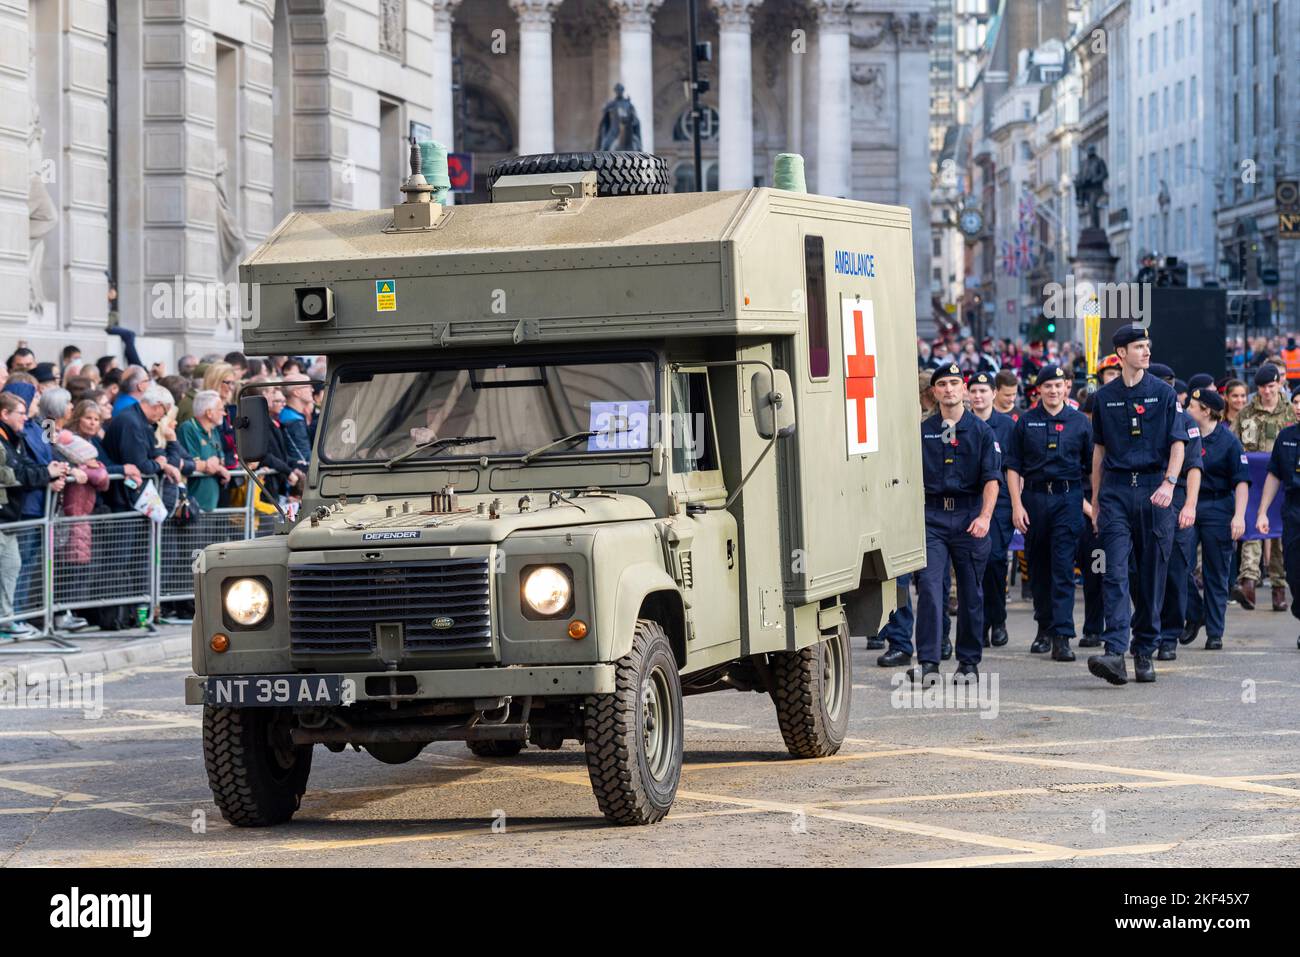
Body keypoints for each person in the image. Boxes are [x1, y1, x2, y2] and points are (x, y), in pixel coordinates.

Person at [1087, 324, 1189, 685]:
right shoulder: (1103, 397)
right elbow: (1099, 452)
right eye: (1139, 347)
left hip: (1154, 490)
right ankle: (1115, 651)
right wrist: (1097, 502)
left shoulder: (1163, 394)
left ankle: (1144, 650)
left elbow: (1179, 444)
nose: (1146, 352)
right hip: (1116, 492)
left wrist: (1169, 483)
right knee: (1113, 571)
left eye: (1148, 345)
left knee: (1150, 576)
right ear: (1121, 354)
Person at [906, 363, 1000, 685]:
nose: (948, 389)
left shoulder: (981, 432)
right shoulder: (922, 431)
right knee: (931, 590)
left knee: (972, 593)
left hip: (969, 517)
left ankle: (968, 663)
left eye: (954, 383)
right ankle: (929, 662)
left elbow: (992, 479)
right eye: (942, 384)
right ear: (934, 392)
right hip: (932, 517)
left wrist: (985, 517)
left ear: (964, 389)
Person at [1006, 364, 1093, 661]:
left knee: (1063, 569)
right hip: (1034, 499)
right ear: (1038, 390)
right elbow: (1013, 466)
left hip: (1068, 499)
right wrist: (1017, 505)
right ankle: (1044, 627)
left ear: (1067, 387)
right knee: (1038, 569)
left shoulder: (1080, 422)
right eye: (1048, 386)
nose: (1054, 391)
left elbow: (1092, 465)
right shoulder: (1025, 422)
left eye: (1059, 385)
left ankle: (1062, 636)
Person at [1176, 388, 1250, 651]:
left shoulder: (1229, 442)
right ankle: (1195, 614)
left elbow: (1241, 481)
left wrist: (1239, 516)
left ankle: (1215, 632)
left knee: (1216, 571)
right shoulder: (1186, 435)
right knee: (1178, 562)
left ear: (1206, 411)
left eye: (1193, 406)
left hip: (1218, 506)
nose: (1188, 410)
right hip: (1189, 504)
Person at [1151, 364, 1204, 662]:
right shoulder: (1140, 417)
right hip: (1144, 496)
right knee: (1139, 571)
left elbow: (1194, 466)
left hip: (1178, 496)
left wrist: (1190, 506)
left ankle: (1169, 635)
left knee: (1175, 571)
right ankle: (1149, 628)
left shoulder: (1185, 421)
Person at [1232, 363, 1295, 611]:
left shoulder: (1290, 412)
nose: (1266, 392)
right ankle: (1248, 582)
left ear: (1279, 383)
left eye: (1270, 386)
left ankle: (1279, 587)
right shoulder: (1246, 413)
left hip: (1284, 481)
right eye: (1261, 387)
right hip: (1253, 482)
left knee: (1279, 534)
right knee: (1252, 530)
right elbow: (1234, 444)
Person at [967, 372, 1015, 647]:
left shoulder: (1007, 426)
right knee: (974, 566)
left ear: (994, 393)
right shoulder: (961, 424)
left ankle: (997, 619)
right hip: (970, 502)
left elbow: (1013, 468)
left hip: (1000, 504)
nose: (978, 396)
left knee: (996, 561)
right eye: (973, 391)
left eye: (983, 391)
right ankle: (980, 623)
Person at [1255, 413, 1300, 651]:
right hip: (1294, 508)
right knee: (1293, 571)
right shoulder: (1286, 437)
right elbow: (1274, 475)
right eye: (1297, 402)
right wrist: (1262, 511)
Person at [178, 390, 232, 511]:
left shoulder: (214, 431)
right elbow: (191, 463)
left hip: (213, 504)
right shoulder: (188, 428)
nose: (224, 413)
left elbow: (221, 460)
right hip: (193, 506)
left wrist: (216, 464)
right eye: (221, 409)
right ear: (209, 413)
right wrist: (215, 467)